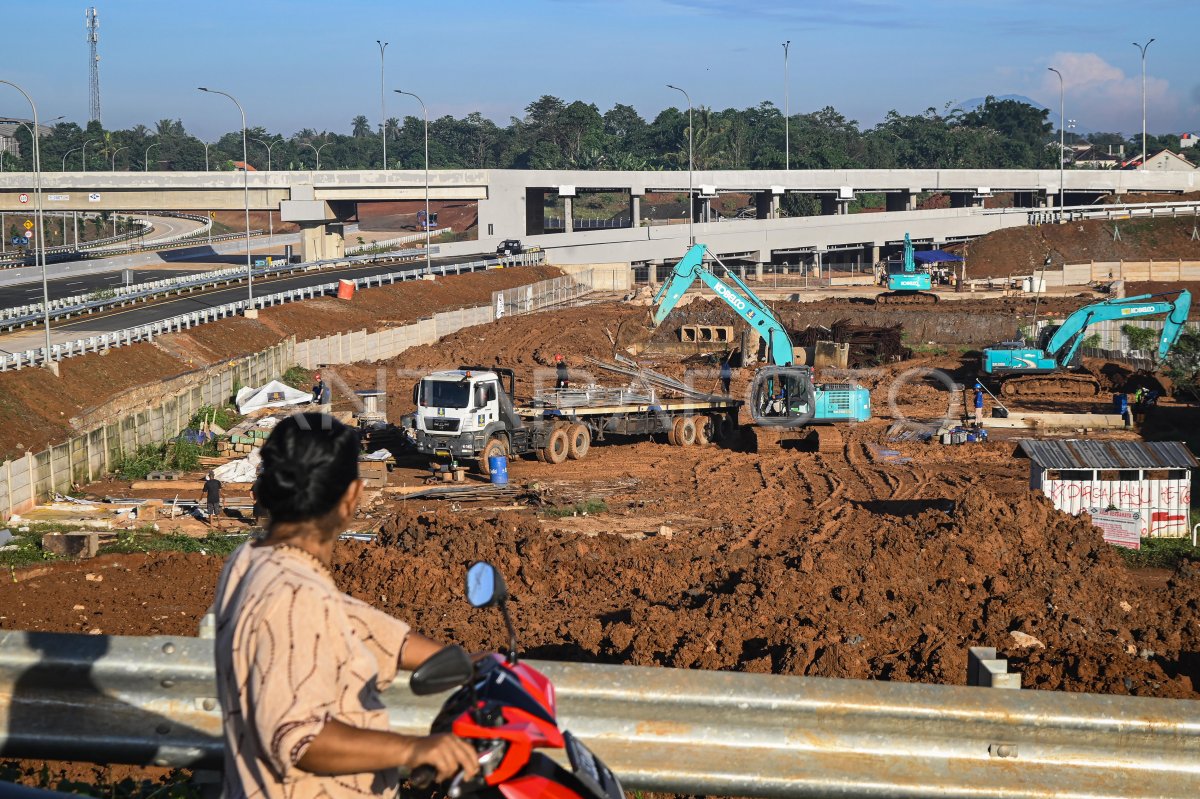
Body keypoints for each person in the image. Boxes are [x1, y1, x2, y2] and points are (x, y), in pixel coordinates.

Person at [213, 413, 479, 798]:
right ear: (352, 495)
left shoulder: (253, 560)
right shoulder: (294, 594)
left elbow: (344, 622)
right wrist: (414, 749)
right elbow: (300, 737)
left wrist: (463, 662)